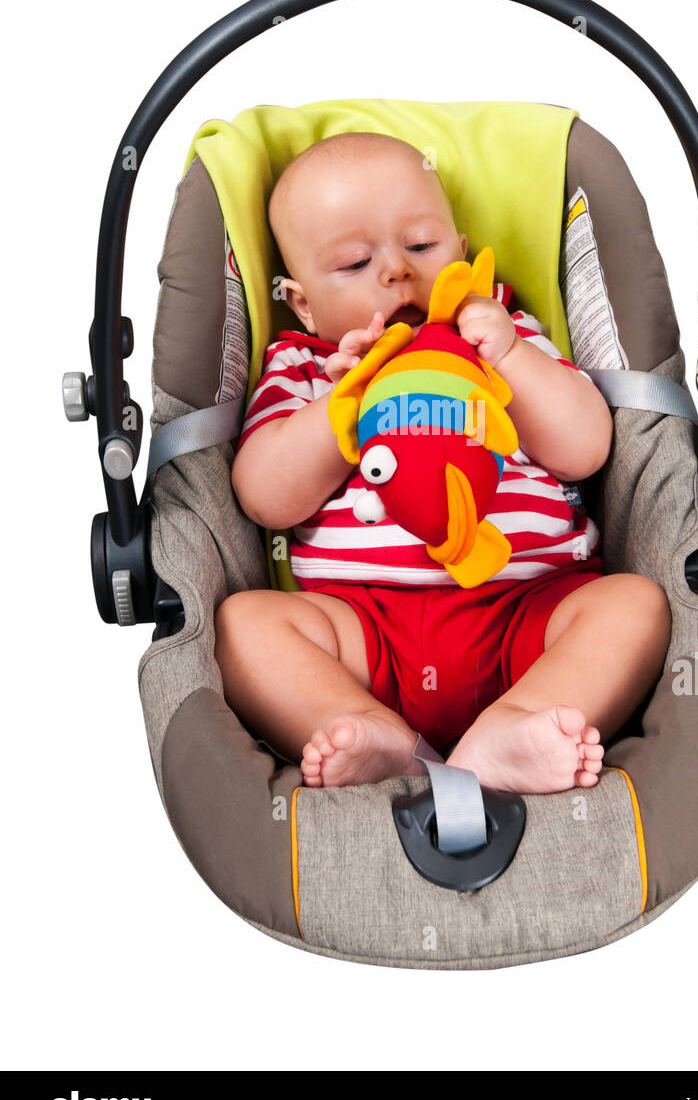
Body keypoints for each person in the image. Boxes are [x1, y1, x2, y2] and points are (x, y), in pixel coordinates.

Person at [214, 131, 671, 794]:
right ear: (304, 303)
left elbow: (585, 451)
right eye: (352, 263)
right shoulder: (305, 368)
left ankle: (514, 726)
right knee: (242, 627)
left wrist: (509, 355)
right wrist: (341, 406)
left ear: (460, 254)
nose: (396, 271)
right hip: (365, 631)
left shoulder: (506, 335)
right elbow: (264, 498)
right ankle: (373, 735)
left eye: (421, 247)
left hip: (527, 608)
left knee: (635, 606)